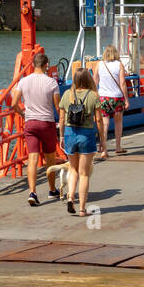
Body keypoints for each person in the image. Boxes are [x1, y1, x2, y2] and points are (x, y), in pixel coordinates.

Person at [10, 51, 61, 208]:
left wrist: (22, 113)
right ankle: (52, 190)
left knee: (32, 159)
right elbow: (58, 107)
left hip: (30, 123)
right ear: (46, 66)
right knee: (50, 158)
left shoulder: (24, 82)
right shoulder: (51, 83)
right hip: (46, 123)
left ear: (32, 65)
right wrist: (62, 123)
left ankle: (32, 193)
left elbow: (13, 104)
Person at [58, 67, 102, 217]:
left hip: (70, 134)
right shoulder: (93, 96)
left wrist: (61, 137)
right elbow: (99, 121)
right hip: (86, 135)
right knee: (84, 174)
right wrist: (102, 140)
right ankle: (82, 209)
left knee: (73, 169)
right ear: (88, 79)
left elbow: (62, 119)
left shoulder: (66, 95)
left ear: (75, 80)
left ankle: (70, 197)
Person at [95, 45, 128, 158]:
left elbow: (95, 82)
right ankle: (118, 147)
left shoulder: (99, 64)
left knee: (104, 124)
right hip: (117, 98)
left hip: (103, 98)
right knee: (118, 122)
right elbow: (123, 83)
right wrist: (126, 99)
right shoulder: (119, 65)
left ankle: (104, 150)